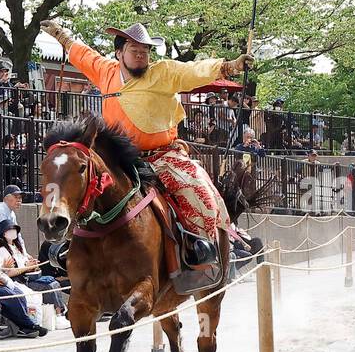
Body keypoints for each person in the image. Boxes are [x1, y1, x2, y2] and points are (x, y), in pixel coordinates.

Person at [39, 19, 254, 251]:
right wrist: (61, 36)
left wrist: (230, 66)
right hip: (117, 161)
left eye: (145, 51)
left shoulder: (163, 73)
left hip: (163, 156)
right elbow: (84, 55)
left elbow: (193, 70)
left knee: (199, 193)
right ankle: (70, 246)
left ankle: (204, 247)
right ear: (119, 53)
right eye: (134, 50)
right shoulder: (105, 71)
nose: (141, 55)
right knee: (78, 186)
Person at [0, 218, 70, 328]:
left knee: (53, 282)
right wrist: (26, 267)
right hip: (19, 281)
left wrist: (32, 264)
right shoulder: (1, 251)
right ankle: (58, 315)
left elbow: (26, 263)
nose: (13, 232)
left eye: (15, 229)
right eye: (10, 230)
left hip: (29, 277)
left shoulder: (18, 247)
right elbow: (7, 273)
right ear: (3, 233)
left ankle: (60, 315)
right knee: (49, 286)